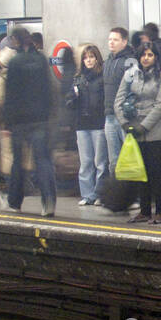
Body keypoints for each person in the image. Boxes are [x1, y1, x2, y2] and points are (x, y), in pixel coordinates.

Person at [0, 26, 58, 218]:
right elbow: (49, 89)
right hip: (41, 119)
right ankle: (48, 201)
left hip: (20, 121)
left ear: (16, 40)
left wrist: (7, 122)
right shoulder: (41, 60)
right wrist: (50, 115)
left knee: (18, 163)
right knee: (43, 160)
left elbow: (11, 95)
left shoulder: (15, 62)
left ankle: (14, 202)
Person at [115, 41, 161, 223]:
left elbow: (160, 105)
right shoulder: (130, 75)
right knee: (140, 172)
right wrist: (124, 123)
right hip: (133, 130)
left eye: (150, 55)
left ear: (155, 57)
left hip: (154, 131)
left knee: (157, 172)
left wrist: (144, 126)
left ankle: (160, 211)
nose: (146, 58)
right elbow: (118, 100)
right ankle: (145, 210)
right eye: (144, 55)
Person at [71, 44, 107, 205]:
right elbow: (69, 101)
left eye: (91, 57)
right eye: (85, 58)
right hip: (82, 124)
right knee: (85, 162)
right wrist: (72, 98)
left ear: (97, 58)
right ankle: (87, 194)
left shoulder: (103, 77)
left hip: (98, 122)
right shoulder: (78, 78)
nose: (88, 60)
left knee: (100, 162)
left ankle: (99, 194)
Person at [102, 27, 135, 175]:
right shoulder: (107, 62)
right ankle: (116, 195)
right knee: (113, 161)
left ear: (124, 41)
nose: (111, 43)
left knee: (130, 158)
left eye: (115, 39)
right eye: (109, 39)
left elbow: (134, 88)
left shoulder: (130, 61)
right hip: (109, 115)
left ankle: (133, 197)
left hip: (124, 116)